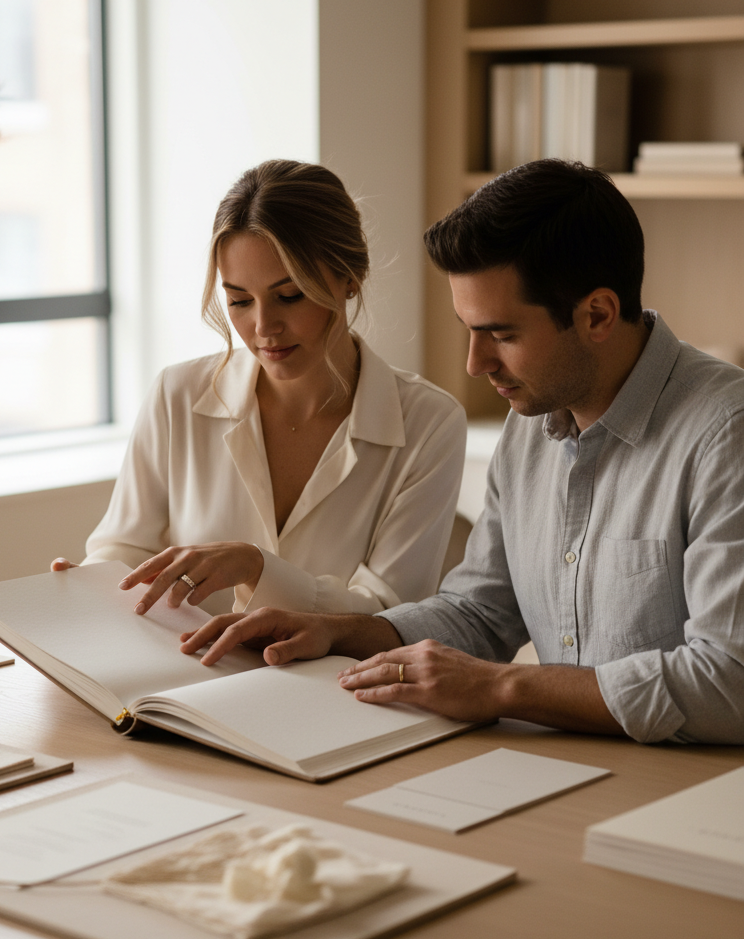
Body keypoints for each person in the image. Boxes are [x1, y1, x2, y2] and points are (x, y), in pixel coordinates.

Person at [181, 159, 744, 746]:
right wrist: (335, 631)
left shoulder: (726, 434)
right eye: (469, 331)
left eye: (502, 335)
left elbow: (731, 680)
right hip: (565, 771)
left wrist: (503, 688)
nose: (476, 364)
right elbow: (481, 613)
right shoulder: (532, 423)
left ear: (597, 314)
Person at [53, 159, 466, 617]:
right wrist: (89, 584)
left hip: (335, 686)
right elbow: (126, 547)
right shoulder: (178, 394)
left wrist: (257, 570)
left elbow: (388, 614)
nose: (263, 327)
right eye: (239, 301)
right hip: (185, 681)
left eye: (289, 295)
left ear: (350, 276)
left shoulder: (430, 422)